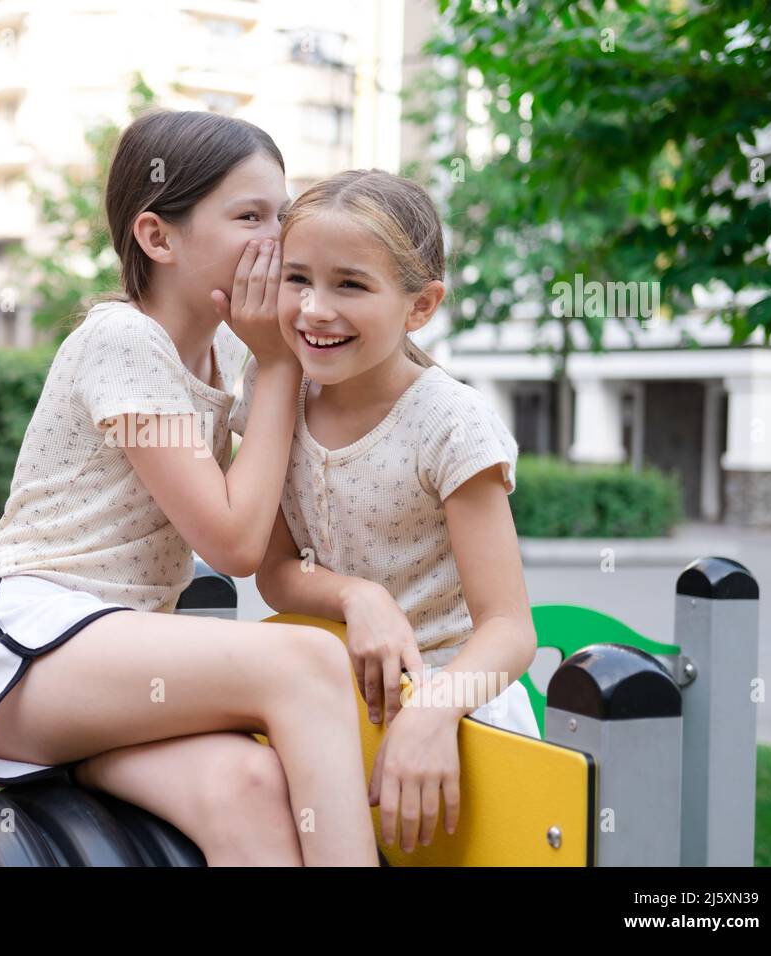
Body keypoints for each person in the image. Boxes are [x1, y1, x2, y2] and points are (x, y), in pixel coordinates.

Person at [0, 109, 380, 866]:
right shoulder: (123, 340)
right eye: (250, 216)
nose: (279, 239)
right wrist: (276, 368)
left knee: (249, 783)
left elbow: (281, 533)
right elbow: (232, 542)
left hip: (111, 680)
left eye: (285, 213)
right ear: (158, 237)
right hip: (26, 651)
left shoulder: (228, 360)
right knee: (305, 665)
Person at [238, 169, 539, 855]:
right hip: (327, 709)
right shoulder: (274, 388)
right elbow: (275, 570)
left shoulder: (451, 423)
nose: (314, 309)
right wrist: (357, 596)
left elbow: (509, 629)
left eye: (351, 284)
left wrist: (431, 710)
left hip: (456, 720)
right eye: (297, 278)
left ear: (421, 305)